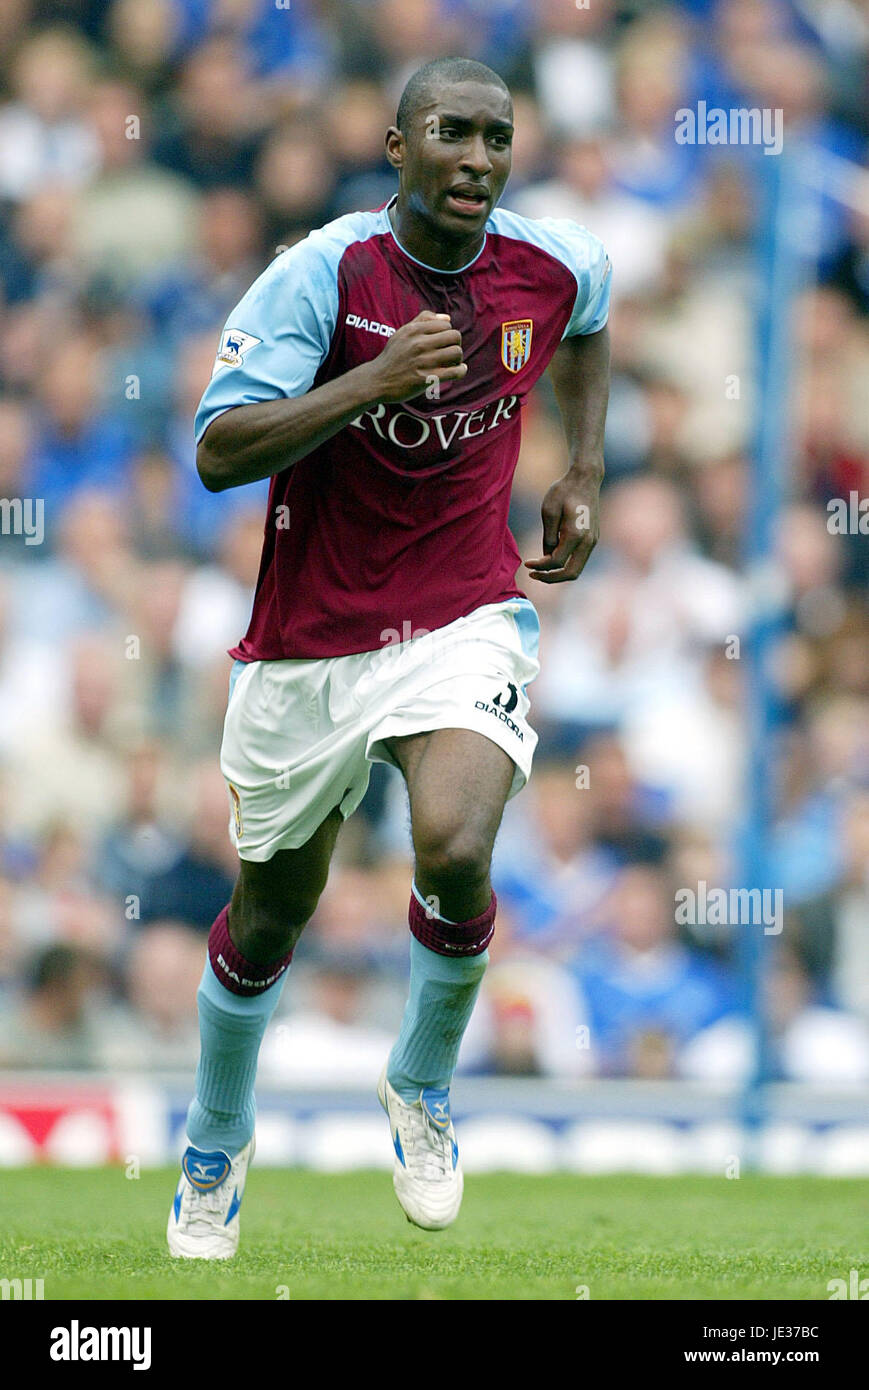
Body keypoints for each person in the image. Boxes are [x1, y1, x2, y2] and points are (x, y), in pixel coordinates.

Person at [168, 56, 611, 1259]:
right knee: (269, 919)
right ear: (397, 146)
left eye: (496, 138)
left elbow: (591, 317)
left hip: (463, 615)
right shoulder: (324, 273)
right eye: (451, 134)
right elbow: (216, 451)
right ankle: (215, 1138)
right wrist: (370, 379)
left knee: (459, 845)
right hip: (308, 642)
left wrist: (579, 467)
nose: (476, 157)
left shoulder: (549, 263)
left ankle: (419, 1083)